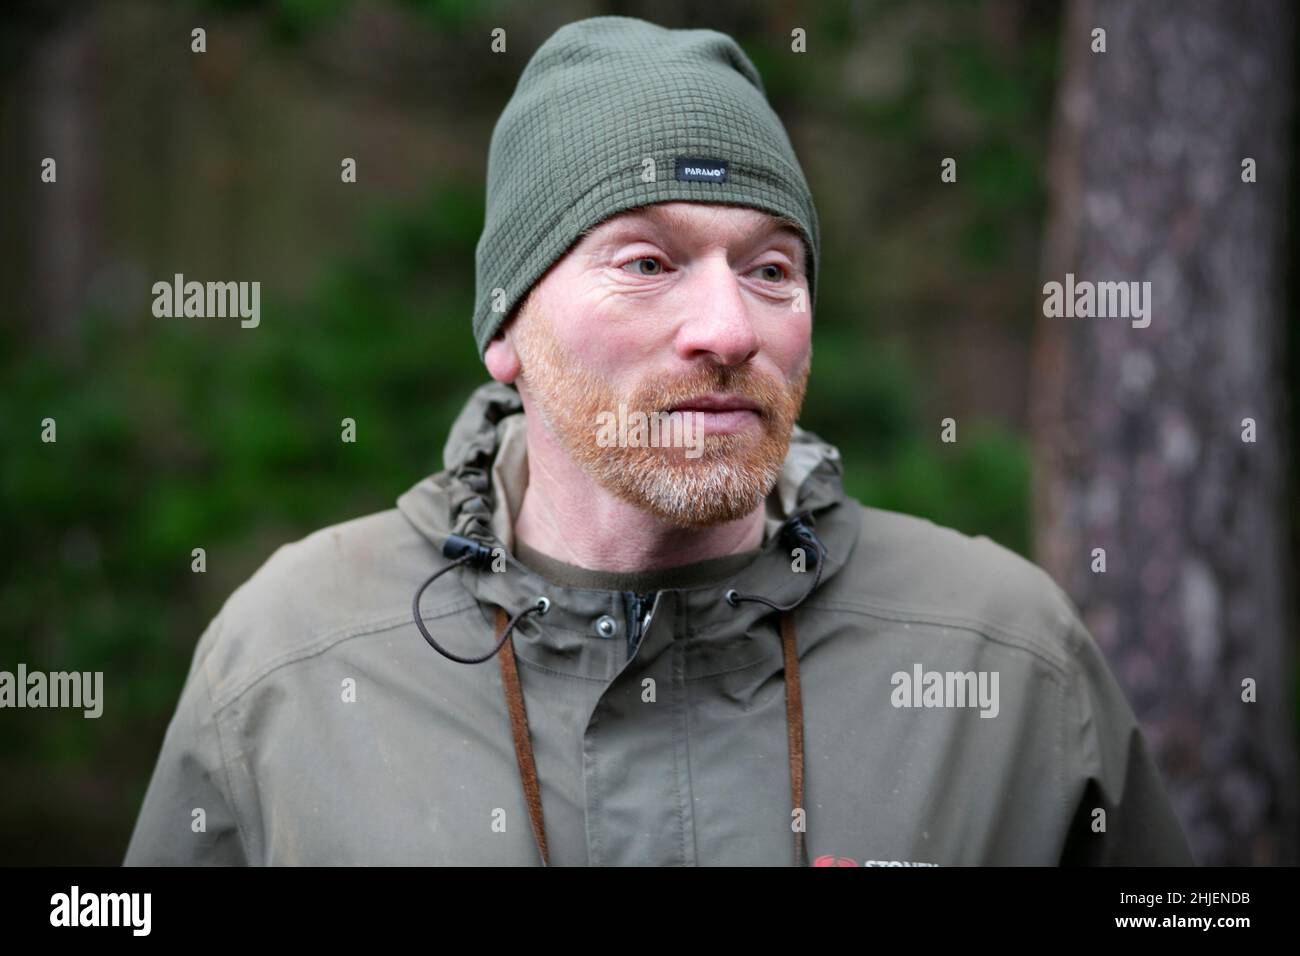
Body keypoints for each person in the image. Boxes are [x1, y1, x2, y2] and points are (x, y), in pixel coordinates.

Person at [125, 15, 1193, 866]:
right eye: (646, 261)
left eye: (771, 268)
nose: (728, 329)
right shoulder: (294, 659)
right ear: (507, 330)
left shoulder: (1000, 661)